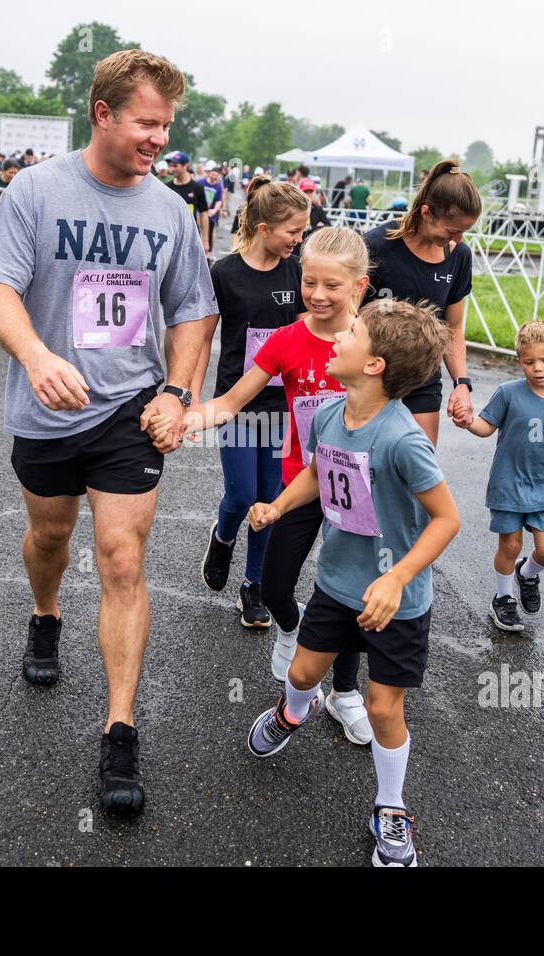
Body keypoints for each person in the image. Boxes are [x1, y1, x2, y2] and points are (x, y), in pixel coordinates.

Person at [0, 48, 216, 814]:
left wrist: (179, 392)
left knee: (121, 557)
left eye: (166, 126)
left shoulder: (171, 211)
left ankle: (120, 728)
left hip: (128, 411)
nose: (158, 139)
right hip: (48, 410)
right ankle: (45, 615)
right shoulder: (36, 191)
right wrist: (37, 354)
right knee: (51, 539)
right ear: (103, 113)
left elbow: (194, 311)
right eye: (147, 123)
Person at [241, 299, 460, 867]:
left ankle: (391, 806)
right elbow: (317, 470)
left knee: (385, 709)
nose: (340, 334)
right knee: (300, 673)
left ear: (375, 365)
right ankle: (293, 713)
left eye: (354, 332)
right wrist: (279, 505)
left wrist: (399, 577)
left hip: (398, 602)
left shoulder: (404, 440)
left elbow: (447, 519)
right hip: (338, 584)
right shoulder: (331, 415)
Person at [163, 226, 377, 745]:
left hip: (360, 492)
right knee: (277, 587)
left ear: (359, 287)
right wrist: (184, 418)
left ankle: (345, 693)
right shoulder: (287, 340)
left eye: (332, 286)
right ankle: (288, 627)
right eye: (309, 283)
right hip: (299, 484)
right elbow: (232, 402)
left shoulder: (374, 342)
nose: (318, 296)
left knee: (352, 596)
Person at [186, 177, 308, 630]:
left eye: (302, 232)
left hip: (282, 406)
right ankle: (222, 537)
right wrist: (191, 395)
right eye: (292, 232)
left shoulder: (294, 272)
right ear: (261, 228)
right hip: (236, 402)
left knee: (270, 499)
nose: (299, 240)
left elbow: (303, 336)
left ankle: (252, 586)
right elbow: (200, 337)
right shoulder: (224, 273)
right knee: (240, 495)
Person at [457, 319, 544, 631]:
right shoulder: (508, 393)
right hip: (508, 484)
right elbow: (486, 427)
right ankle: (504, 598)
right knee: (509, 545)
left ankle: (527, 573)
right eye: (529, 361)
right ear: (519, 360)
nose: (537, 368)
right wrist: (467, 421)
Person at [362, 159, 481, 446]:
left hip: (423, 382)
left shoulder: (459, 256)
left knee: (417, 475)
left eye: (464, 232)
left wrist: (461, 385)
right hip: (372, 378)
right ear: (426, 212)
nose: (458, 239)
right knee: (367, 474)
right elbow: (348, 316)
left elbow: (452, 327)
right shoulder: (374, 246)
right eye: (452, 231)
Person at [164, 150, 210, 254]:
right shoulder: (167, 187)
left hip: (191, 238)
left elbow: (203, 214)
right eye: (170, 166)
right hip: (170, 237)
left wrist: (206, 240)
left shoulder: (197, 188)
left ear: (185, 166)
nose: (171, 169)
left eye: (175, 166)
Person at [202, 162, 225, 251]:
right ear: (209, 174)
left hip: (211, 214)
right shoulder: (201, 183)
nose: (213, 177)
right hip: (200, 213)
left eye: (216, 175)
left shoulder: (218, 186)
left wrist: (214, 210)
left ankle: (209, 253)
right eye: (212, 174)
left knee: (210, 232)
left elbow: (219, 200)